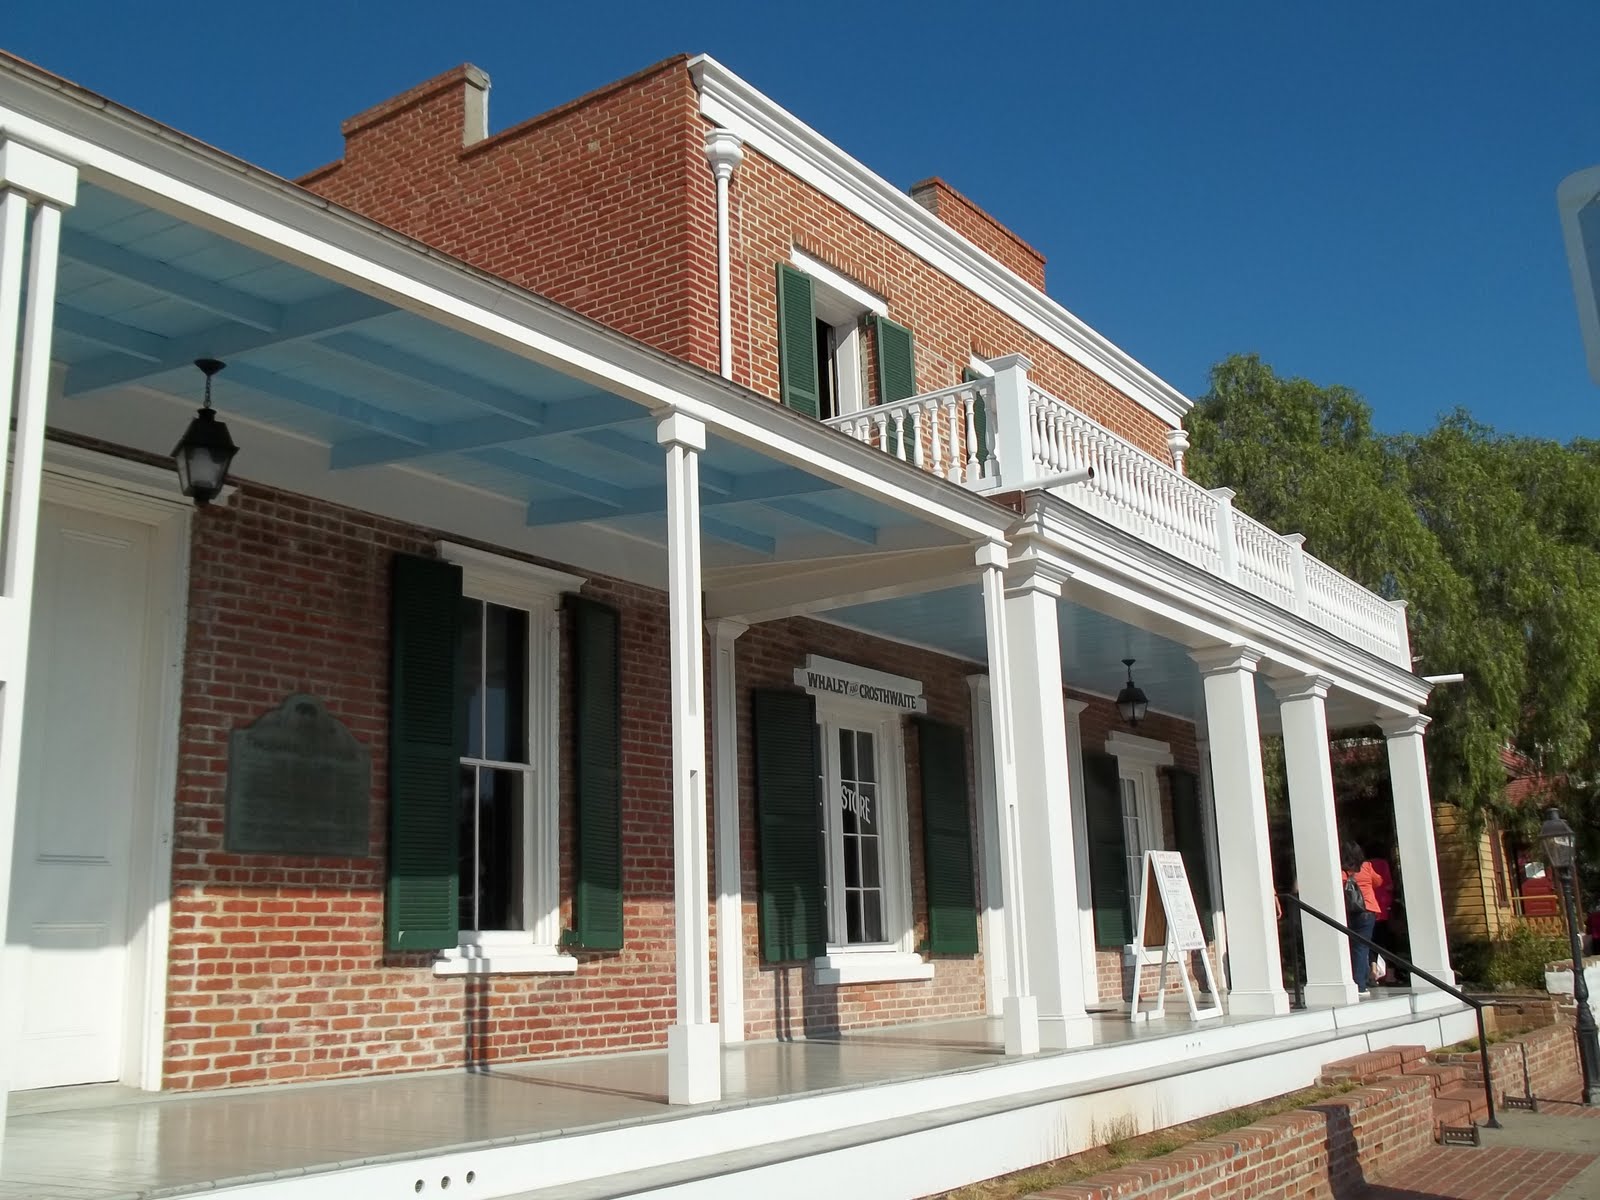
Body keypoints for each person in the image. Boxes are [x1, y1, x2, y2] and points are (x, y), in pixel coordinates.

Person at [1342, 840, 1380, 996]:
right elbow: (1378, 881)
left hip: (1349, 911)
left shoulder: (1342, 871)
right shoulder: (1366, 867)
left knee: (1353, 947)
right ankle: (1360, 984)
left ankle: (1359, 980)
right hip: (1368, 910)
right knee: (1362, 947)